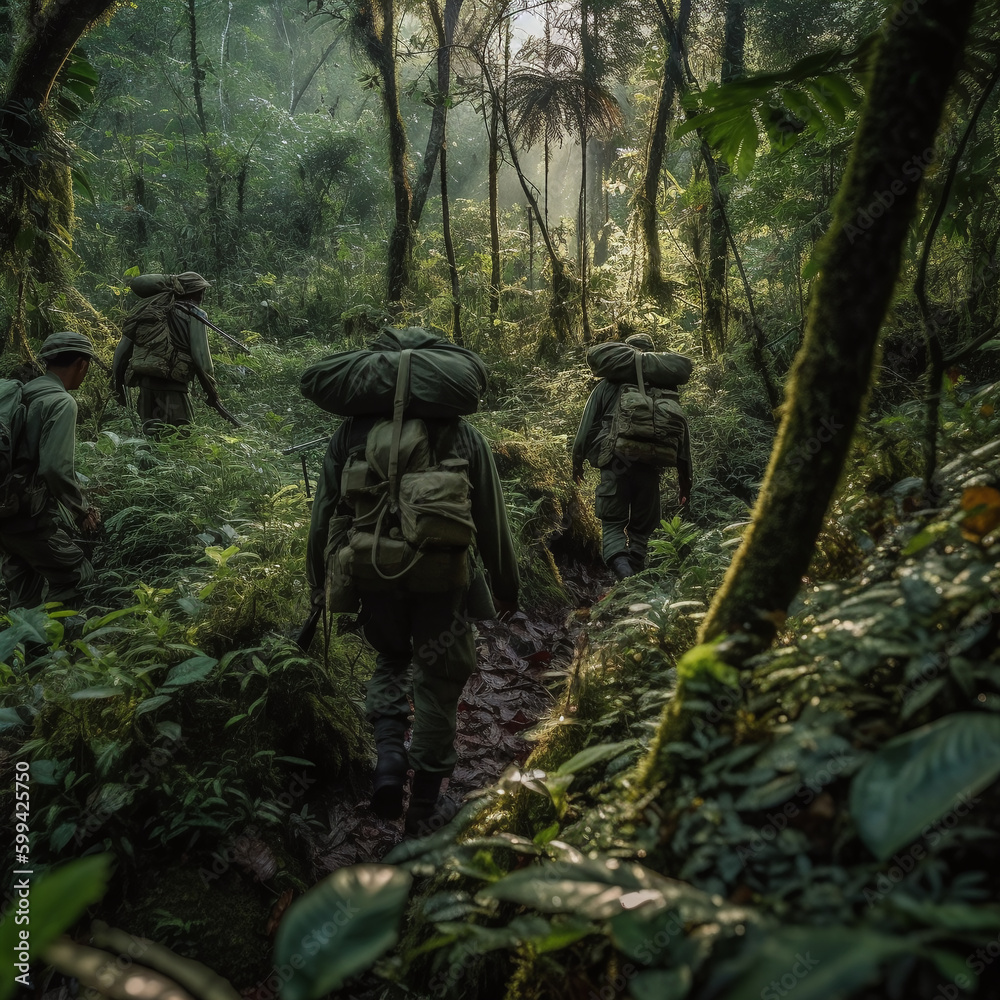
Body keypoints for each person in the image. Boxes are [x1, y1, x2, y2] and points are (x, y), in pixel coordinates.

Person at [307, 387, 519, 834]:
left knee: (391, 659)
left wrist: (317, 582)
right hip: (443, 580)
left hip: (371, 571)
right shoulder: (462, 435)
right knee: (438, 679)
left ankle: (388, 760)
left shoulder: (351, 433)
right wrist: (506, 587)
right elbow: (490, 516)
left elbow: (325, 512)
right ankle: (422, 805)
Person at [572, 332, 692, 580]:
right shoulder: (666, 389)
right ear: (653, 355)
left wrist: (577, 462)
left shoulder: (606, 386)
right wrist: (685, 479)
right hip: (650, 468)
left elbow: (585, 429)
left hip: (615, 464)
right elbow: (682, 436)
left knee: (613, 523)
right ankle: (636, 580)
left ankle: (623, 575)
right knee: (642, 531)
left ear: (625, 352)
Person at [0, 331, 101, 610]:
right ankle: (64, 650)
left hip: (4, 512)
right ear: (81, 364)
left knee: (23, 594)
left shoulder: (23, 392)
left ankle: (22, 651)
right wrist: (80, 511)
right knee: (76, 575)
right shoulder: (61, 401)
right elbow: (55, 468)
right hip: (27, 516)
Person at [111, 272, 220, 434]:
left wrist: (116, 382)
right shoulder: (195, 314)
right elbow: (202, 359)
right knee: (181, 439)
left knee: (149, 438)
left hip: (146, 387)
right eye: (201, 291)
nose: (202, 295)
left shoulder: (146, 310)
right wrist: (212, 392)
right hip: (173, 388)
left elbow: (121, 350)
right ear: (193, 291)